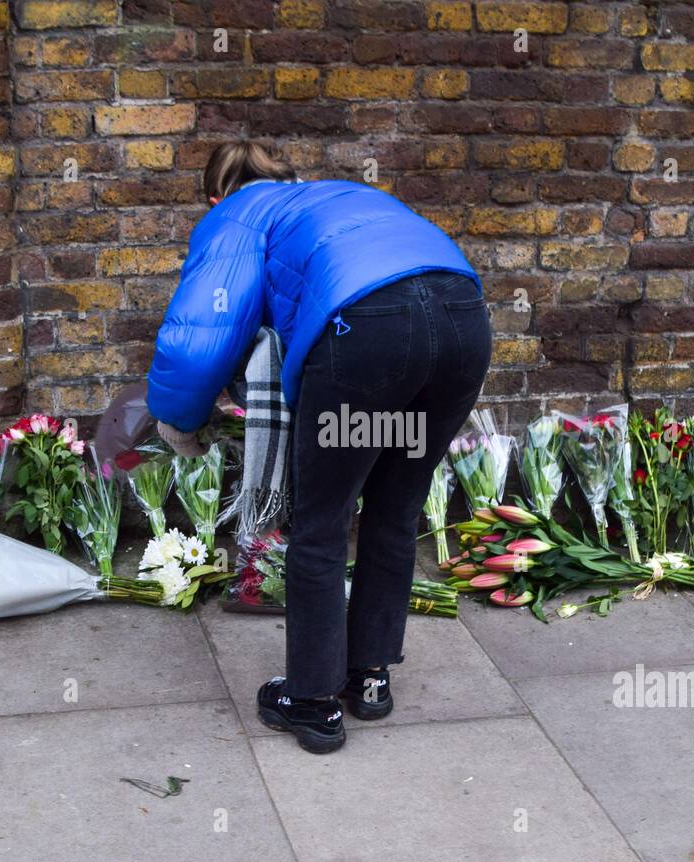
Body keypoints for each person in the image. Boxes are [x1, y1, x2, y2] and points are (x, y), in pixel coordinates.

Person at [146, 141, 491, 753]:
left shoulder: (237, 214)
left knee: (322, 521)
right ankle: (370, 679)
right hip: (463, 324)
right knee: (393, 508)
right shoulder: (339, 196)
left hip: (365, 334)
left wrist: (179, 420)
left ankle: (310, 702)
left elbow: (201, 332)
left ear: (216, 195)